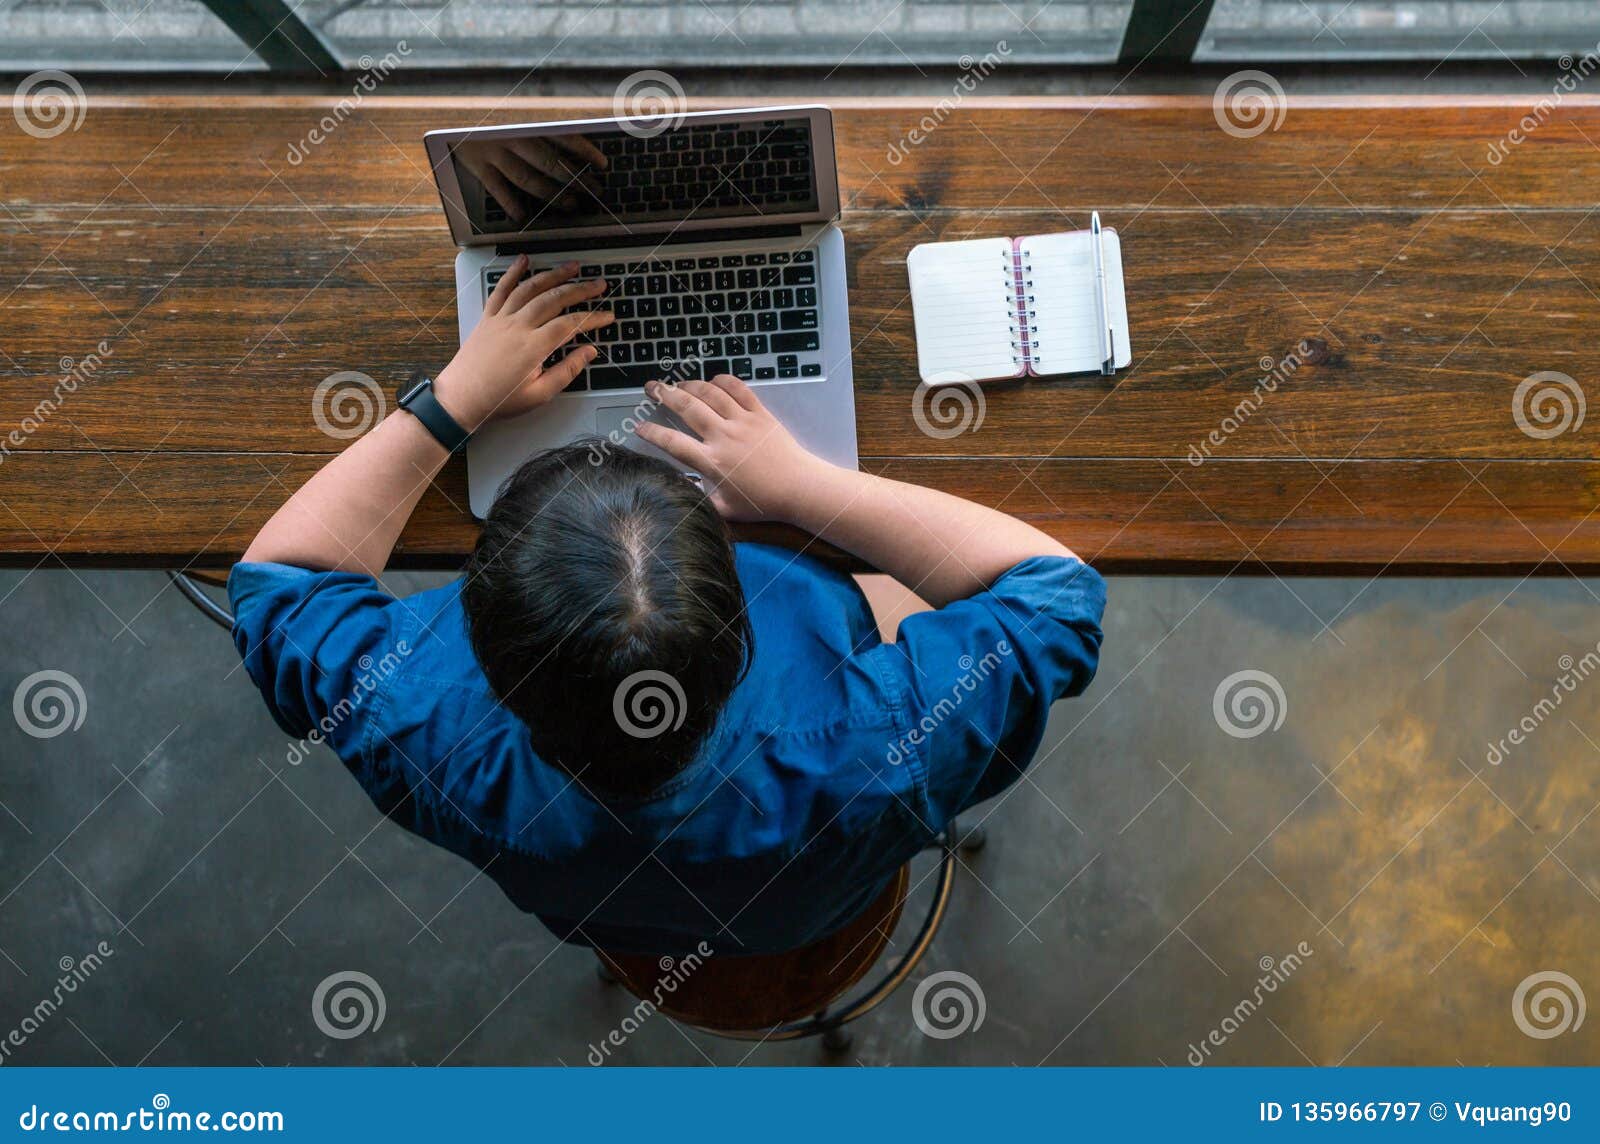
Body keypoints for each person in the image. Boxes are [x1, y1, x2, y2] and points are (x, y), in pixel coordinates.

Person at [230, 260, 1106, 956]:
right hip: (807, 917)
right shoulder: (886, 748)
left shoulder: (417, 723)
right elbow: (1055, 594)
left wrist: (454, 398)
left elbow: (278, 583)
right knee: (903, 589)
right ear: (742, 616)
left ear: (477, 629)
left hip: (610, 926)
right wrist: (800, 487)